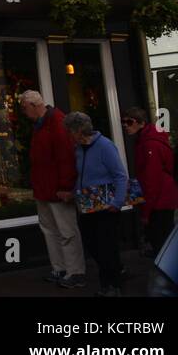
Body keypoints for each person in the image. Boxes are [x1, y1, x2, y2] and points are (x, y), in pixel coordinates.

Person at [20, 90, 85, 289]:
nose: (23, 112)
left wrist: (65, 187)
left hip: (56, 189)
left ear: (33, 105)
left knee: (66, 231)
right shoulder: (42, 124)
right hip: (44, 187)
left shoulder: (56, 122)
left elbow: (66, 158)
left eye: (24, 107)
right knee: (50, 230)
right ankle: (60, 268)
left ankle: (75, 272)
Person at [64, 111, 128, 297]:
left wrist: (117, 202)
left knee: (107, 248)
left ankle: (112, 286)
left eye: (70, 131)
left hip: (107, 207)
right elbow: (82, 176)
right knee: (93, 246)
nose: (68, 135)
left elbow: (120, 175)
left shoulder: (105, 146)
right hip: (86, 206)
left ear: (78, 131)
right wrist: (74, 194)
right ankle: (111, 281)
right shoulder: (79, 149)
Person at [122, 106, 178, 256]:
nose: (125, 125)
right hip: (161, 197)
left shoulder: (149, 144)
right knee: (163, 239)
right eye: (123, 122)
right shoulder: (147, 141)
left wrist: (145, 212)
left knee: (161, 241)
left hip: (159, 200)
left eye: (129, 122)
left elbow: (152, 180)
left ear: (141, 123)